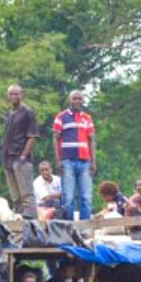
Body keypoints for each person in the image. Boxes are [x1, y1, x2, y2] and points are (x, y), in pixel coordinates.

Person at [52, 90, 96, 220]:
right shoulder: (61, 116)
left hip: (85, 161)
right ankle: (69, 228)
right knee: (68, 198)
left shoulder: (87, 118)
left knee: (86, 198)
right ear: (70, 100)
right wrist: (58, 160)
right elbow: (55, 138)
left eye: (79, 99)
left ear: (82, 101)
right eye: (74, 98)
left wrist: (93, 162)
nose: (77, 101)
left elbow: (92, 140)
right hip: (67, 161)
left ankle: (85, 227)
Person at [0, 84, 39, 219]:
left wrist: (23, 156)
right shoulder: (10, 113)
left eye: (16, 94)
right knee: (14, 195)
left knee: (26, 192)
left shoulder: (27, 112)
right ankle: (18, 218)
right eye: (11, 94)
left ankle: (31, 221)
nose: (14, 97)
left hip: (21, 157)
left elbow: (33, 136)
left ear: (22, 95)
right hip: (8, 158)